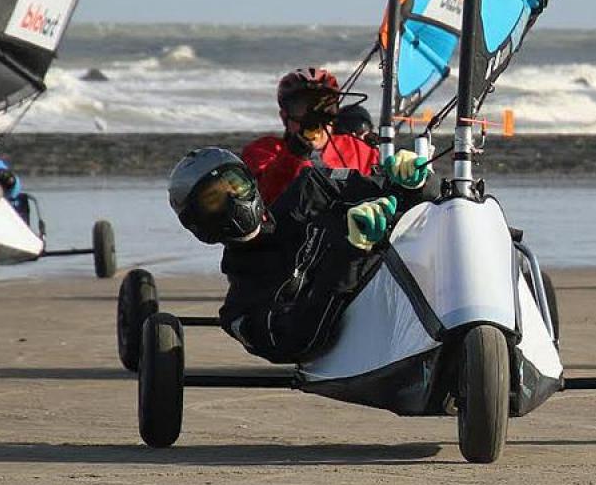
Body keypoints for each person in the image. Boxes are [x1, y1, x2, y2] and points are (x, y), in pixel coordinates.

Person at [168, 145, 431, 363]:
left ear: (251, 183)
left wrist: (415, 183)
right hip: (377, 340)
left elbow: (422, 203)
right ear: (197, 221)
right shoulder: (240, 310)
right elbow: (297, 342)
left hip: (422, 293)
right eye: (214, 199)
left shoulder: (313, 189)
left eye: (236, 186)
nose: (234, 200)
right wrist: (352, 252)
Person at [242, 68, 379, 205]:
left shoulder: (360, 150)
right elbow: (261, 197)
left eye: (324, 107)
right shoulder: (262, 151)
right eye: (303, 109)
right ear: (285, 116)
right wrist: (293, 156)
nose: (314, 119)